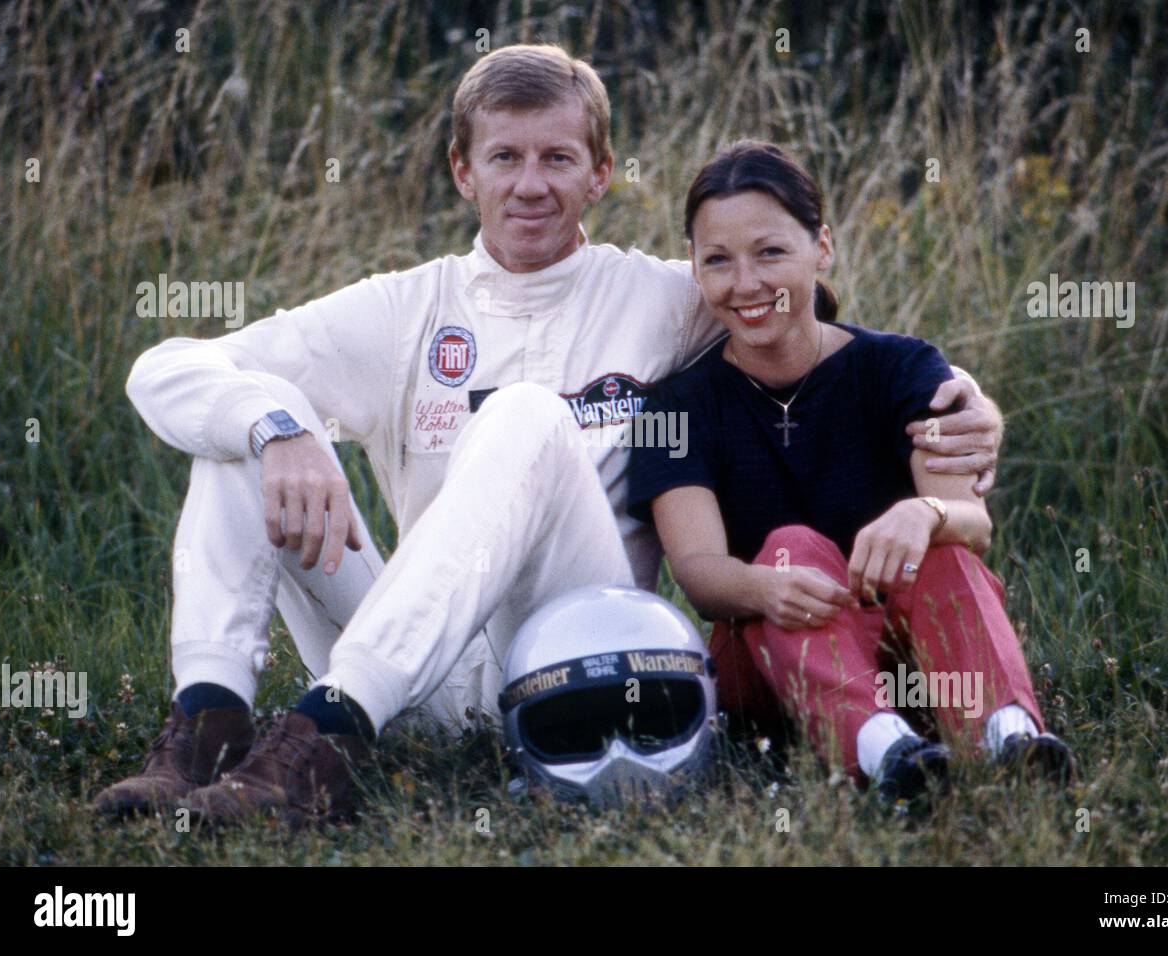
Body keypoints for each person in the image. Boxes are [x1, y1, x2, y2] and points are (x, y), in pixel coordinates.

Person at [92, 47, 1005, 825]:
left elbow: (808, 324)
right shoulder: (402, 308)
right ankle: (208, 727)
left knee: (525, 412)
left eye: (559, 158)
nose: (531, 184)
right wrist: (279, 426)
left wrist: (964, 399)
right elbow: (165, 367)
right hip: (422, 674)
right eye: (504, 158)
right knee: (241, 429)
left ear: (601, 173)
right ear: (463, 171)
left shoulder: (669, 295)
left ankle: (324, 740)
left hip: (579, 655)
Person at [628, 141, 1073, 804]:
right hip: (773, 661)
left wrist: (922, 514)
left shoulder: (900, 366)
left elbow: (973, 525)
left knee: (944, 554)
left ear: (823, 247)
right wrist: (762, 587)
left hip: (908, 655)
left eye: (770, 252)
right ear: (693, 267)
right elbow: (699, 573)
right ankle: (885, 752)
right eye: (717, 260)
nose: (745, 283)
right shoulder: (676, 404)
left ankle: (1007, 736)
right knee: (790, 550)